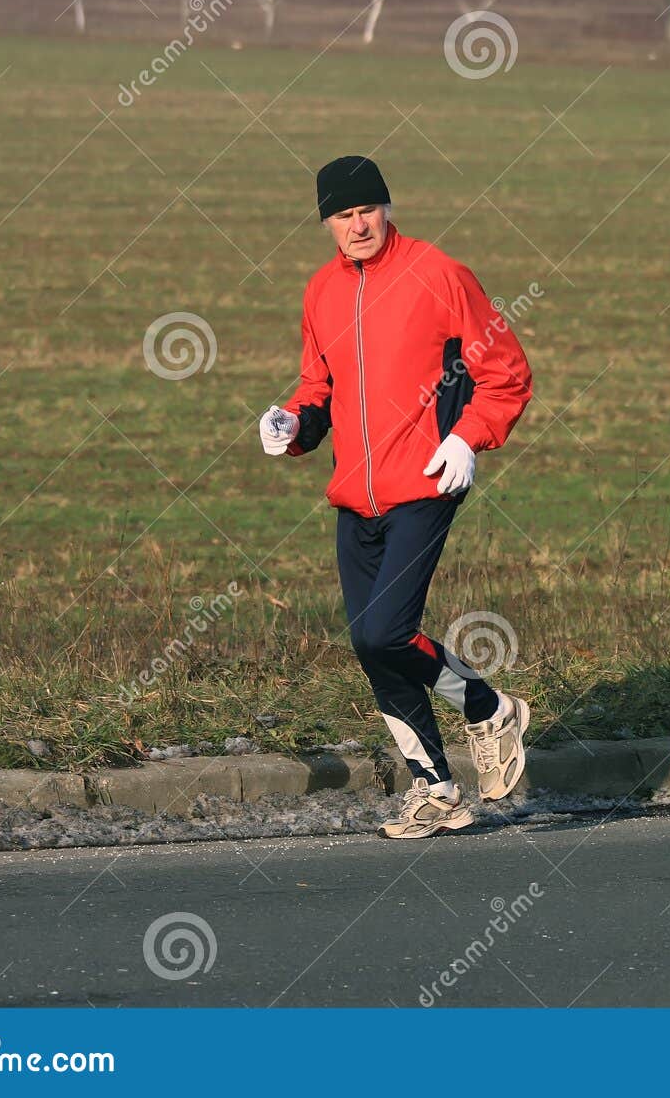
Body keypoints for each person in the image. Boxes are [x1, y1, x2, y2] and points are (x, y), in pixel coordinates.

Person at [261, 155, 533, 839]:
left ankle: (486, 706)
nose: (357, 225)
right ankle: (438, 789)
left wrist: (468, 437)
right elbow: (316, 388)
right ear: (326, 221)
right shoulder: (321, 291)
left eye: (366, 210)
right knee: (371, 644)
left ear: (387, 206)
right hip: (356, 494)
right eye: (342, 215)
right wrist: (292, 424)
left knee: (385, 630)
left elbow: (506, 372)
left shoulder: (439, 274)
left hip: (426, 479)